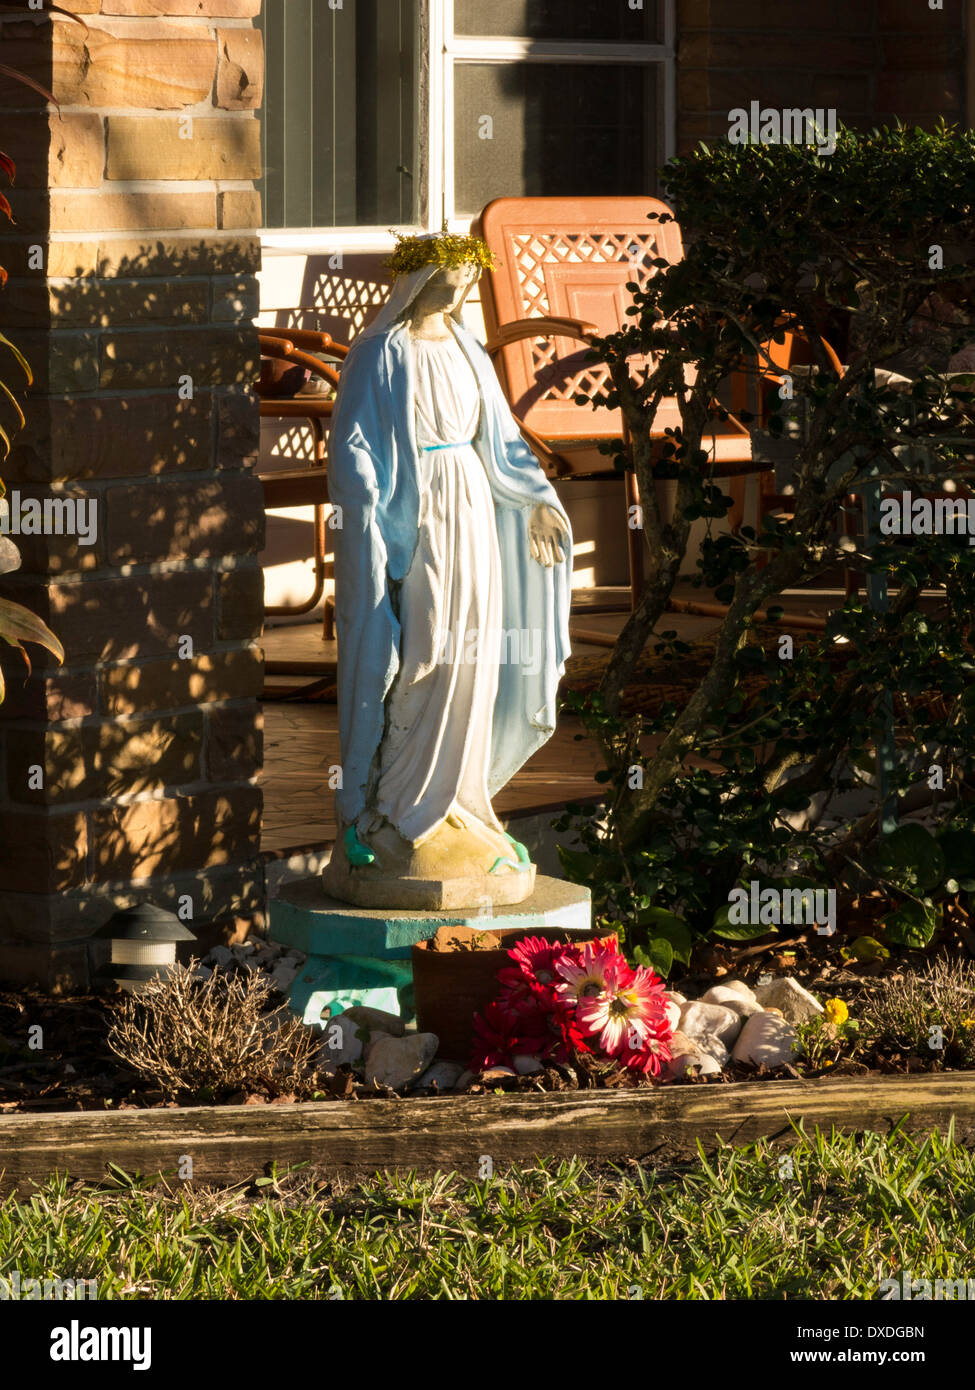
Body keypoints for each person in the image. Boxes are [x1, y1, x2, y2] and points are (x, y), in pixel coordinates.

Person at [322, 229, 572, 908]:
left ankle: (460, 802)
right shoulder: (380, 351)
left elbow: (502, 438)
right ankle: (400, 806)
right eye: (446, 278)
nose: (458, 290)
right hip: (416, 510)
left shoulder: (467, 348)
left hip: (472, 506)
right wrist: (369, 515)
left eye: (466, 280)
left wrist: (535, 502)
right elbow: (350, 444)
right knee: (424, 650)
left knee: (474, 651)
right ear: (416, 281)